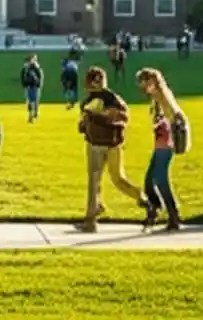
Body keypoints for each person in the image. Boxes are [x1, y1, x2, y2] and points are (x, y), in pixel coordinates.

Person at [76, 66, 145, 233]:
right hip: (113, 144)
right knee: (118, 178)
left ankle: (91, 220)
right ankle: (143, 199)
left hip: (98, 144)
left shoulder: (95, 101)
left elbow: (98, 119)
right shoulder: (113, 99)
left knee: (95, 181)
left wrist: (93, 119)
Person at [136, 68, 185, 231]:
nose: (142, 87)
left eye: (143, 83)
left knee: (159, 179)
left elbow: (176, 115)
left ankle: (173, 214)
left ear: (151, 82)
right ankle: (155, 208)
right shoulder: (157, 96)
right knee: (150, 180)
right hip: (161, 142)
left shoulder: (162, 95)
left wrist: (173, 129)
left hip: (166, 143)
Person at [20, 54, 43, 123]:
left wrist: (39, 84)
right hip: (29, 86)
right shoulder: (26, 68)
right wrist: (24, 84)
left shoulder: (36, 67)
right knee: (30, 101)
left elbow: (40, 76)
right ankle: (30, 115)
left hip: (34, 86)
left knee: (35, 101)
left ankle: (35, 113)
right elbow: (22, 77)